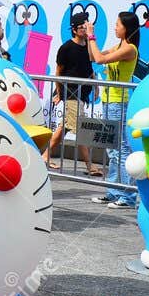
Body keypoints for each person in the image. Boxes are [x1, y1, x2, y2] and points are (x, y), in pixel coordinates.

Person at [89, 11, 141, 207]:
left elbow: (101, 60)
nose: (115, 27)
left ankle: (127, 196)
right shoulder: (118, 45)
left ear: (127, 27)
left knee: (121, 149)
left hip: (119, 102)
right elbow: (96, 56)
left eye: (118, 24)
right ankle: (113, 191)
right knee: (112, 150)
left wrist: (92, 36)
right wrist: (88, 38)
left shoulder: (130, 49)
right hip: (108, 100)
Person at [44, 9, 100, 177]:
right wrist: (60, 92)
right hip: (71, 93)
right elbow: (58, 72)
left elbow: (90, 69)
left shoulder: (89, 46)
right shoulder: (66, 48)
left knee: (65, 127)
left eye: (87, 26)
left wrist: (96, 87)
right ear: (75, 30)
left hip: (82, 94)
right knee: (80, 127)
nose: (86, 29)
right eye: (82, 27)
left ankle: (45, 155)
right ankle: (90, 165)